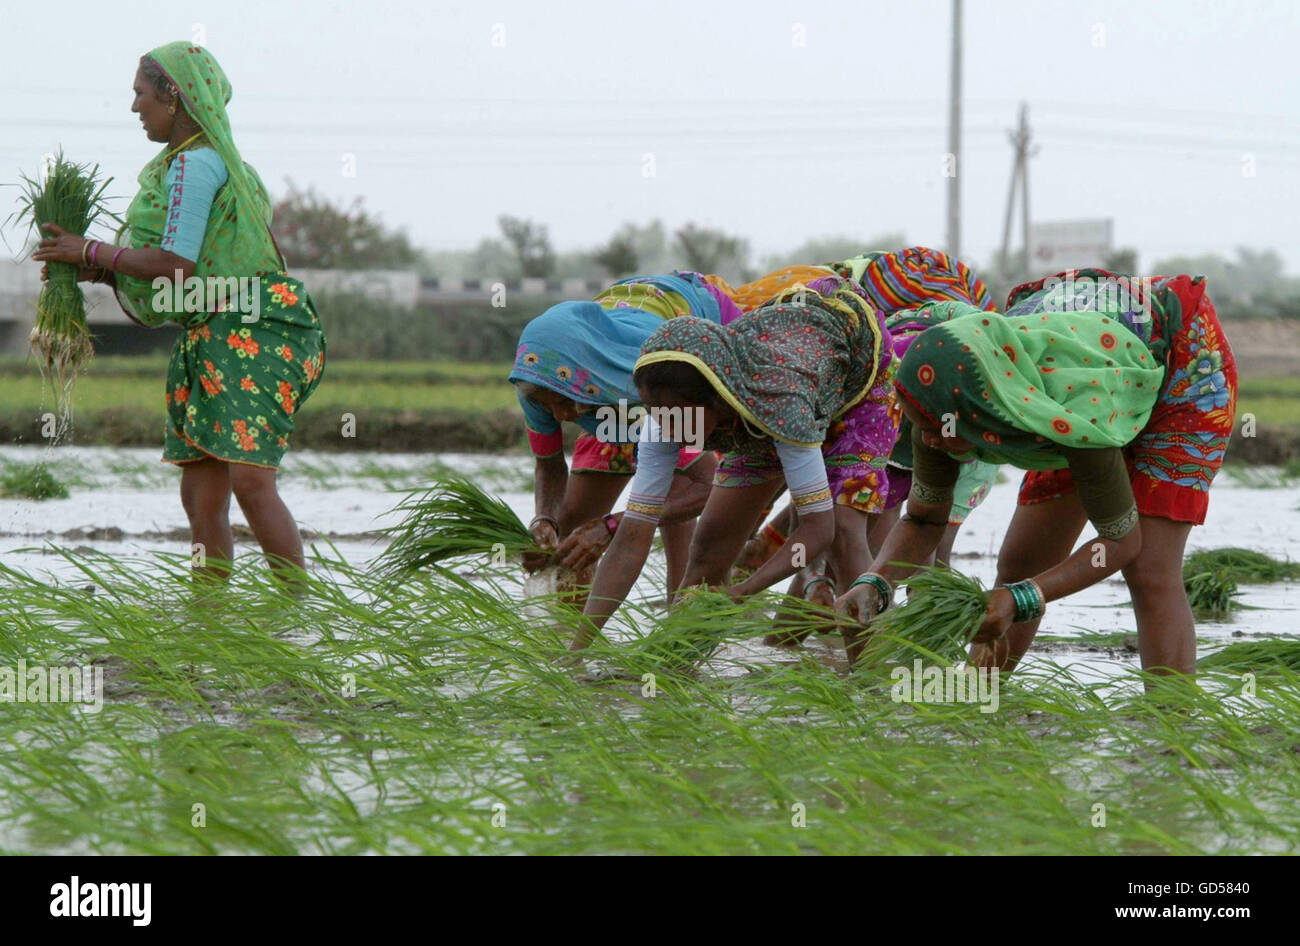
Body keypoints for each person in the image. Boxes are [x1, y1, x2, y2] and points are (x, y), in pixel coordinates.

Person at [836, 270, 1237, 675]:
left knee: (1149, 568)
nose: (930, 443)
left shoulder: (1075, 409)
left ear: (981, 414)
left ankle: (1172, 723)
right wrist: (875, 582)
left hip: (1177, 360)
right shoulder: (939, 406)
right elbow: (924, 520)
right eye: (919, 428)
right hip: (1078, 344)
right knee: (1022, 560)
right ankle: (977, 694)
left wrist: (1022, 599)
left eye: (933, 430)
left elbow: (1120, 541)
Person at [33, 42, 325, 584]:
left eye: (140, 94)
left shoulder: (195, 163)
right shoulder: (208, 164)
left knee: (251, 484)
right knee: (200, 491)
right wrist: (95, 268)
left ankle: (296, 620)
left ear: (174, 96)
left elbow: (175, 266)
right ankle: (206, 622)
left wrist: (92, 251)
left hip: (252, 331)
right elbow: (187, 269)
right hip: (216, 331)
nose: (134, 108)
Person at [573, 274, 896, 651]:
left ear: (717, 398)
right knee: (709, 547)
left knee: (843, 531)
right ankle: (671, 676)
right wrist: (577, 652)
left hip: (859, 377)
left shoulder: (782, 402)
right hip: (759, 401)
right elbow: (632, 537)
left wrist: (744, 591)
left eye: (682, 419)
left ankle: (870, 684)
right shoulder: (666, 421)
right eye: (660, 416)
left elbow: (816, 531)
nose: (673, 432)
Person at [510, 272, 736, 593]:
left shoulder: (652, 377)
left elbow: (707, 485)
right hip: (603, 394)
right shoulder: (538, 381)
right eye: (550, 407)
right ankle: (571, 637)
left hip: (687, 330)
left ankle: (683, 620)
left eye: (563, 402)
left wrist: (614, 525)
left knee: (677, 496)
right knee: (573, 529)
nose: (561, 416)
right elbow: (548, 464)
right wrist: (545, 521)